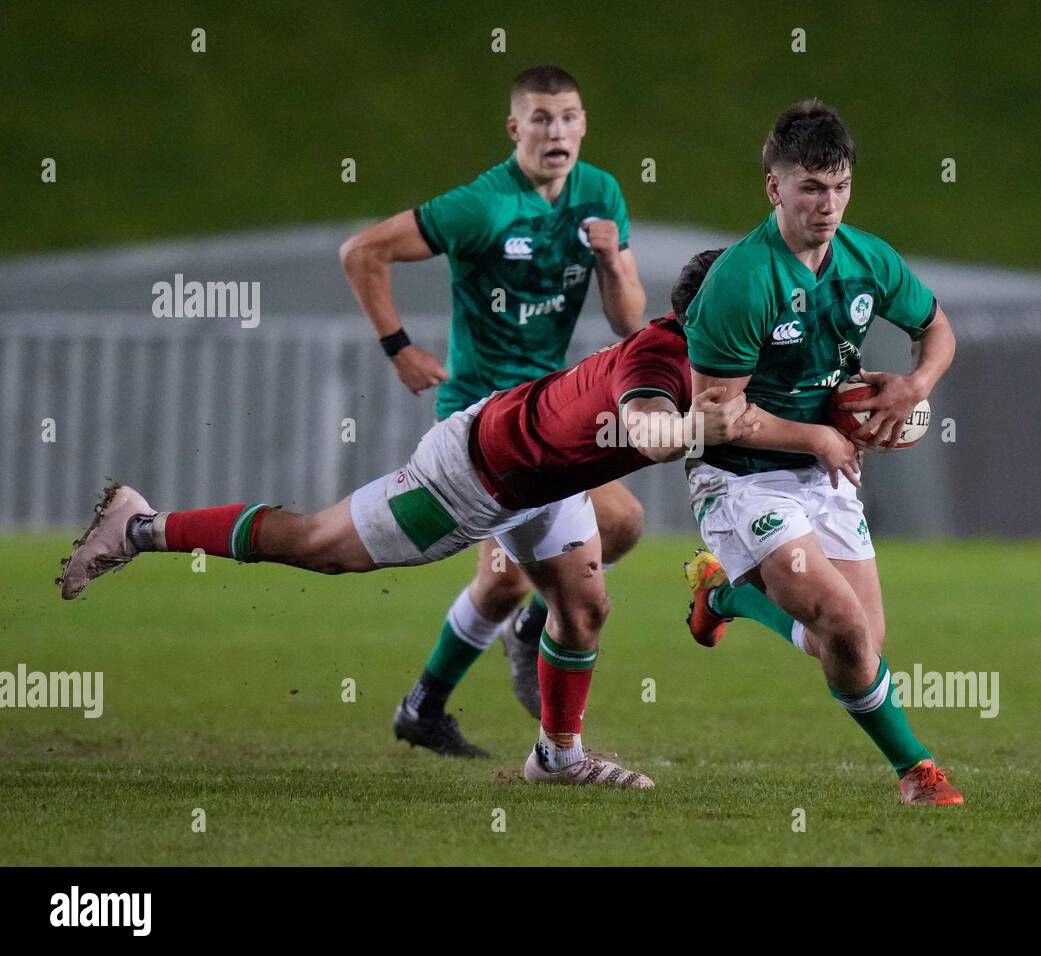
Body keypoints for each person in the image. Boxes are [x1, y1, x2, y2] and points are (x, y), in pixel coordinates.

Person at [59, 251, 752, 791]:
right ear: (712, 313)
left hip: (538, 475)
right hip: (476, 476)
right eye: (748, 298)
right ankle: (141, 526)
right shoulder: (663, 355)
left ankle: (557, 757)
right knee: (318, 545)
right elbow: (653, 431)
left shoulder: (716, 353)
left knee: (586, 603)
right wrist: (703, 427)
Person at [339, 65, 647, 756]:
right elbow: (363, 252)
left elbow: (629, 324)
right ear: (516, 129)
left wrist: (614, 263)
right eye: (540, 118)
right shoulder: (482, 207)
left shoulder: (600, 195)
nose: (556, 131)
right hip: (483, 419)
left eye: (568, 116)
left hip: (551, 412)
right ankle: (481, 700)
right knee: (533, 568)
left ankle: (434, 700)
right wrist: (399, 348)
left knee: (608, 529)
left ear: (584, 124)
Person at [680, 100, 965, 806]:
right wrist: (815, 434)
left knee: (856, 645)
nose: (827, 204)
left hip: (823, 468)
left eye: (838, 186)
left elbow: (936, 330)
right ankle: (918, 771)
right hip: (742, 477)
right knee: (837, 621)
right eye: (810, 187)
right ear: (774, 188)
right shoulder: (742, 282)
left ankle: (726, 594)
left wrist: (913, 386)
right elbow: (715, 420)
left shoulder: (869, 259)